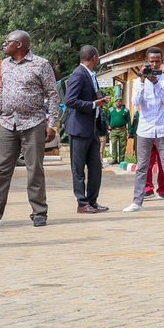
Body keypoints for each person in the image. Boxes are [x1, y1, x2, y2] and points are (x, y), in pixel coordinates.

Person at [0, 31, 58, 228]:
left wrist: (53, 123)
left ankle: (39, 212)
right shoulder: (5, 64)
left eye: (8, 42)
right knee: (1, 169)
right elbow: (2, 92)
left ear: (19, 44)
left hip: (33, 123)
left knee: (34, 169)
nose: (4, 45)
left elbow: (53, 94)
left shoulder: (40, 64)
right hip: (7, 122)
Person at [128, 53, 164, 212]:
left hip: (163, 129)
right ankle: (137, 202)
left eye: (157, 61)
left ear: (161, 62)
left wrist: (155, 83)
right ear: (147, 62)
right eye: (151, 61)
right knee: (142, 167)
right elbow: (135, 102)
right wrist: (142, 80)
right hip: (145, 130)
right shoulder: (137, 81)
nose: (154, 65)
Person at [63, 44, 109, 213]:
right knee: (79, 169)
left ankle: (92, 201)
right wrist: (92, 104)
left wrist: (100, 101)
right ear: (94, 58)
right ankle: (82, 203)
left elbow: (90, 97)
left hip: (92, 128)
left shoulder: (91, 75)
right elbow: (70, 100)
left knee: (96, 167)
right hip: (79, 129)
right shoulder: (78, 74)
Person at [106, 87, 132, 165]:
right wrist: (108, 125)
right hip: (113, 130)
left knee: (123, 145)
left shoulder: (126, 110)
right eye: (117, 101)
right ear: (115, 102)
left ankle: (121, 160)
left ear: (121, 102)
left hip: (122, 130)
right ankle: (114, 159)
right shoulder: (111, 110)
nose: (118, 102)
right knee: (113, 144)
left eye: (120, 101)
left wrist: (129, 131)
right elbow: (107, 119)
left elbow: (129, 121)